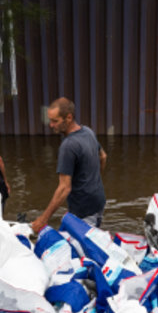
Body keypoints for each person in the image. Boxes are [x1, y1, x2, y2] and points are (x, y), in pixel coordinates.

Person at [30, 97, 107, 232]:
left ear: (69, 118)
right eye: (50, 120)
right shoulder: (88, 131)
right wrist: (93, 180)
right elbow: (103, 156)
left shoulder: (68, 146)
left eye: (55, 121)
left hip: (84, 210)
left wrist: (43, 219)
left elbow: (64, 188)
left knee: (77, 244)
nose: (51, 125)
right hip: (98, 201)